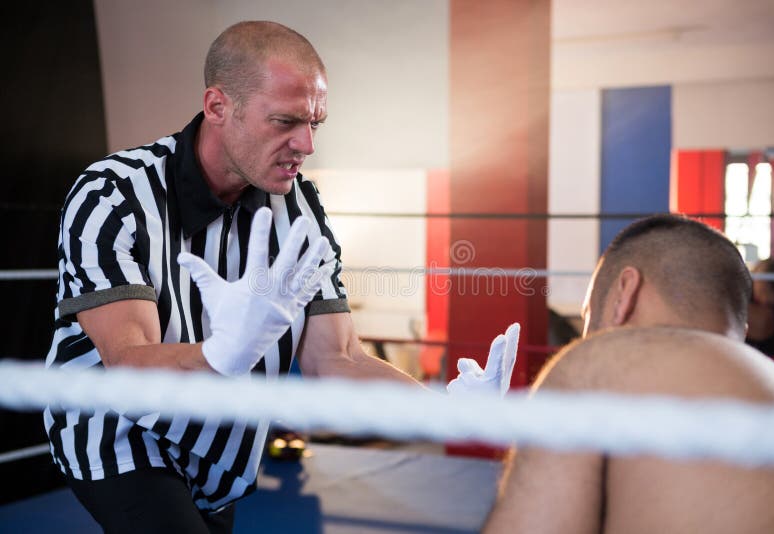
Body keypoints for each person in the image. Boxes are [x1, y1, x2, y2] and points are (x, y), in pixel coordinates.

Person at [43, 20, 516, 532]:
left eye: (315, 123)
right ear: (218, 107)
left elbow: (337, 359)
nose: (307, 144)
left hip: (220, 455)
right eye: (285, 121)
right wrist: (219, 355)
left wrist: (442, 411)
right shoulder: (112, 195)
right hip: (119, 436)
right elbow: (128, 362)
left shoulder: (300, 209)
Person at [485, 215, 774, 533]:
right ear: (742, 331)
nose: (585, 336)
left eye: (589, 315)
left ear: (623, 294)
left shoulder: (593, 364)